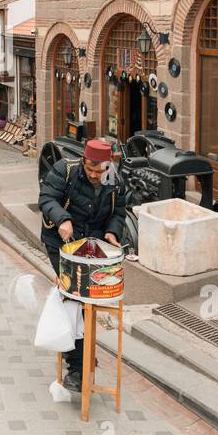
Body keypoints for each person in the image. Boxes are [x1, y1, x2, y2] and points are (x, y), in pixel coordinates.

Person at [38, 139, 126, 393]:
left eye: (100, 171)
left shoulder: (114, 179)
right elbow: (46, 198)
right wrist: (62, 219)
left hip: (92, 246)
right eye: (90, 170)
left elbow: (119, 211)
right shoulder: (65, 170)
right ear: (84, 162)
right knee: (74, 297)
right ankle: (77, 365)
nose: (95, 175)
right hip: (61, 243)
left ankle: (81, 352)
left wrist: (112, 231)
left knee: (88, 300)